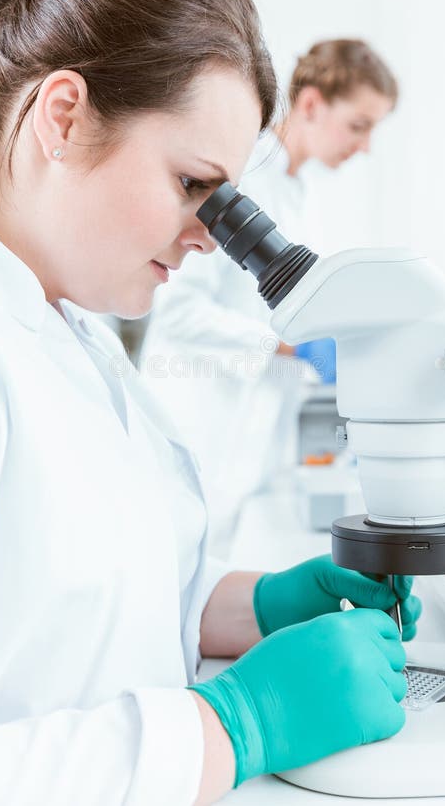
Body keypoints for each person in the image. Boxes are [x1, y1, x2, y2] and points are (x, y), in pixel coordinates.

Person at [0, 0, 421, 805]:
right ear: (64, 116)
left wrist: (257, 607)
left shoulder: (67, 326)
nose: (208, 237)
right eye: (194, 185)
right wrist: (232, 726)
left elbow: (73, 614)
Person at [140, 39, 398, 556]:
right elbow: (179, 312)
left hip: (251, 438)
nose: (365, 146)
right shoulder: (243, 178)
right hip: (199, 415)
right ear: (310, 105)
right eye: (358, 125)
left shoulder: (303, 193)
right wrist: (291, 347)